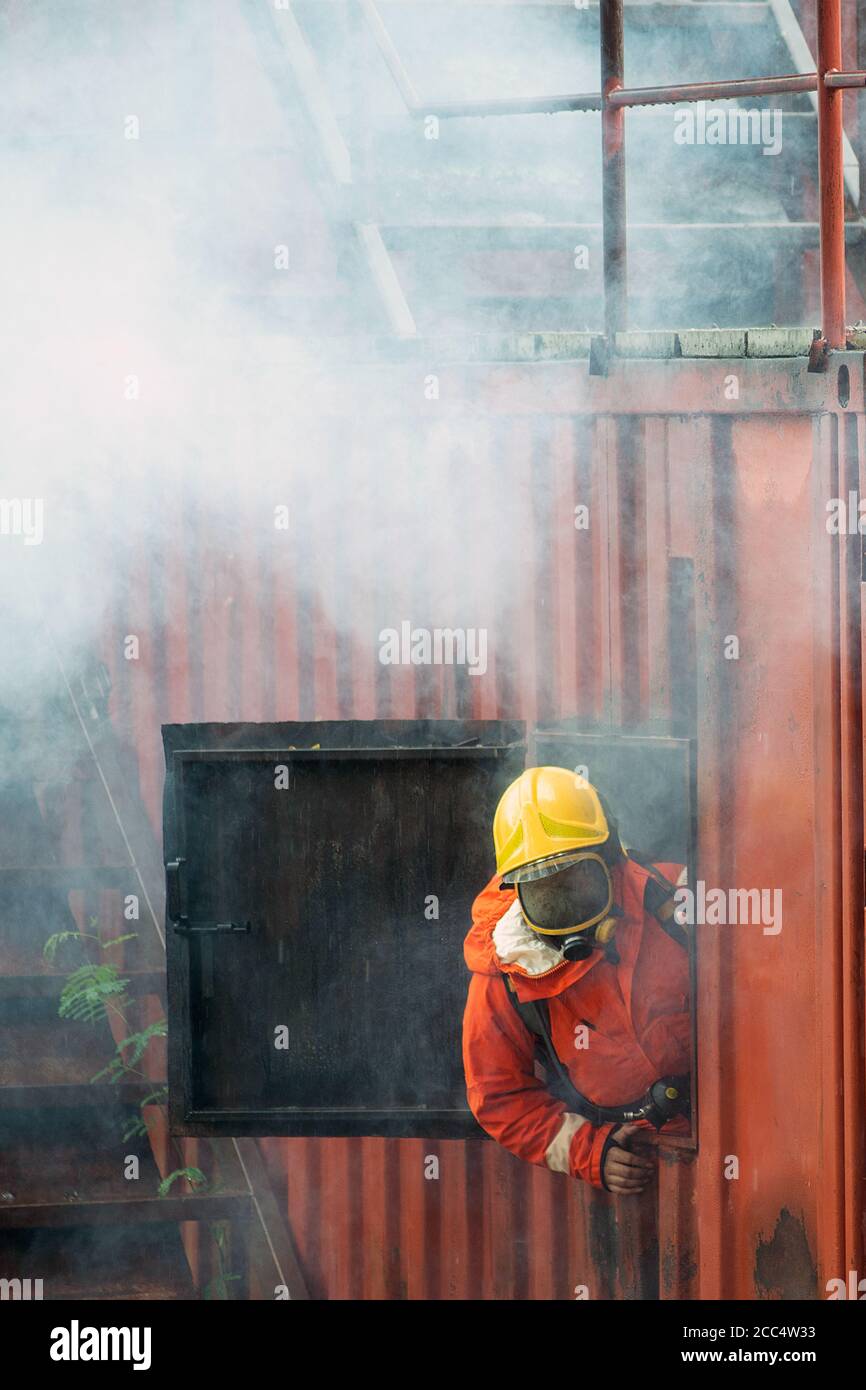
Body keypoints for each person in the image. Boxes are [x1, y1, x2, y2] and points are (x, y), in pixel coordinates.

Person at [462, 766, 691, 1195]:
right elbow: (498, 1098)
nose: (566, 910)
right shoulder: (508, 972)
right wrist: (591, 1152)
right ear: (517, 893)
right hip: (648, 1162)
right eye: (545, 893)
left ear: (610, 861)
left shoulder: (673, 897)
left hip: (738, 1121)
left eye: (578, 881)